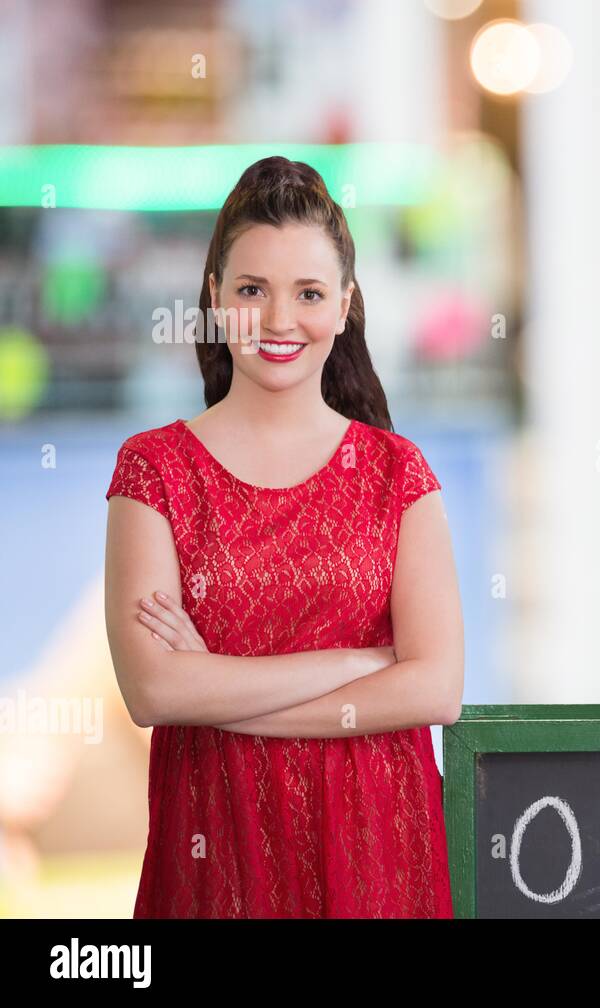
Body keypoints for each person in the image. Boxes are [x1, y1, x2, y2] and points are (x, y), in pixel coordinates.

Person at [103, 156, 463, 918]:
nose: (277, 321)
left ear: (343, 305)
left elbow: (435, 686)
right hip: (215, 853)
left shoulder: (398, 474)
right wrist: (363, 664)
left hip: (380, 857)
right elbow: (155, 689)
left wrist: (220, 687)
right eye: (251, 291)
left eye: (307, 293)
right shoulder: (153, 470)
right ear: (214, 299)